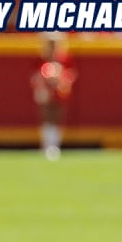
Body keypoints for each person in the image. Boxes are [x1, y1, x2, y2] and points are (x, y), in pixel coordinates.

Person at [30, 32, 77, 160]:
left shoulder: (65, 58)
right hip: (45, 91)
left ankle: (55, 146)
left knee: (57, 117)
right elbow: (34, 76)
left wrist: (60, 79)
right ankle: (46, 145)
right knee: (46, 116)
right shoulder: (41, 58)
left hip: (59, 90)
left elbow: (71, 75)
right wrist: (44, 80)